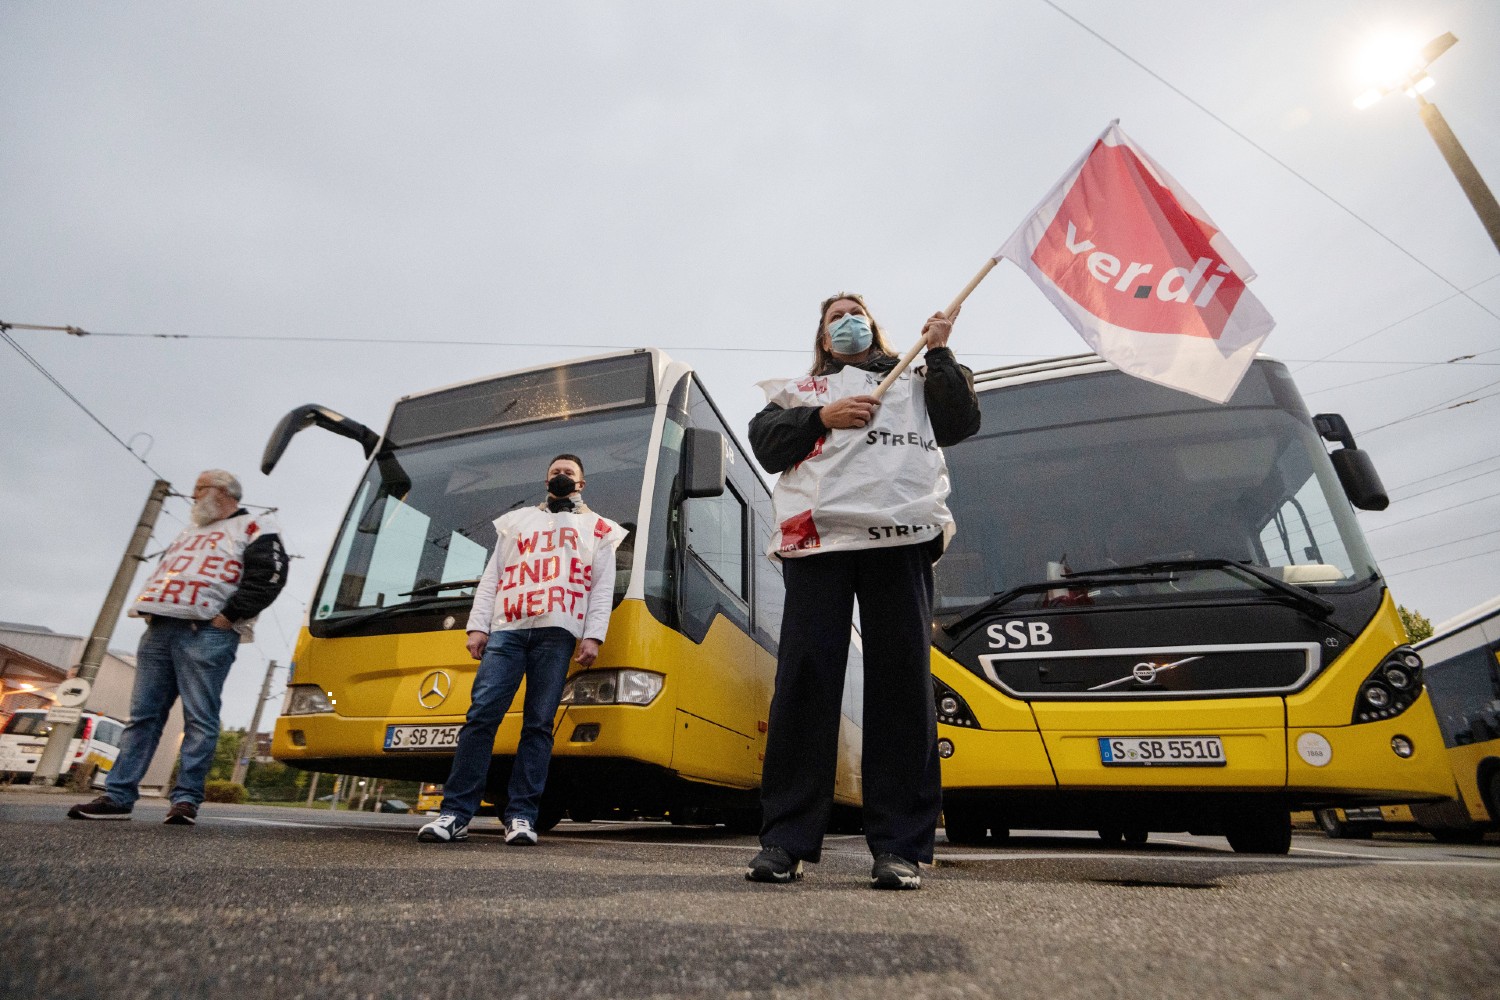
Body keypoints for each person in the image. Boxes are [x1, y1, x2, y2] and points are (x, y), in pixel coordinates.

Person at [745, 292, 980, 889]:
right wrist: (821, 419)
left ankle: (900, 847)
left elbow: (960, 423)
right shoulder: (802, 393)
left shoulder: (922, 374)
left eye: (857, 312)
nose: (848, 321)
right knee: (805, 681)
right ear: (824, 339)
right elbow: (767, 444)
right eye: (834, 317)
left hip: (899, 541)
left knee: (902, 685)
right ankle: (786, 841)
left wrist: (944, 351)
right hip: (819, 546)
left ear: (875, 327)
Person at [418, 454, 627, 846]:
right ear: (546, 482)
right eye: (555, 473)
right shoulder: (517, 523)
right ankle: (454, 814)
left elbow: (602, 587)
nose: (561, 477)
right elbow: (492, 576)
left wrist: (593, 636)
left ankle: (521, 817)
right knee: (481, 717)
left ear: (581, 484)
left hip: (558, 633)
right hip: (508, 631)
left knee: (538, 726)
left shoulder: (599, 529)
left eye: (569, 473)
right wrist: (478, 627)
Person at [68, 470, 288, 824]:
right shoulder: (190, 531)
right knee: (142, 717)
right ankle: (118, 796)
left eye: (199, 490)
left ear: (222, 493)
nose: (192, 497)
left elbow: (270, 576)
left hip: (207, 631)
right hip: (160, 628)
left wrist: (228, 616)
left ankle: (186, 800)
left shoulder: (255, 527)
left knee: (199, 717)